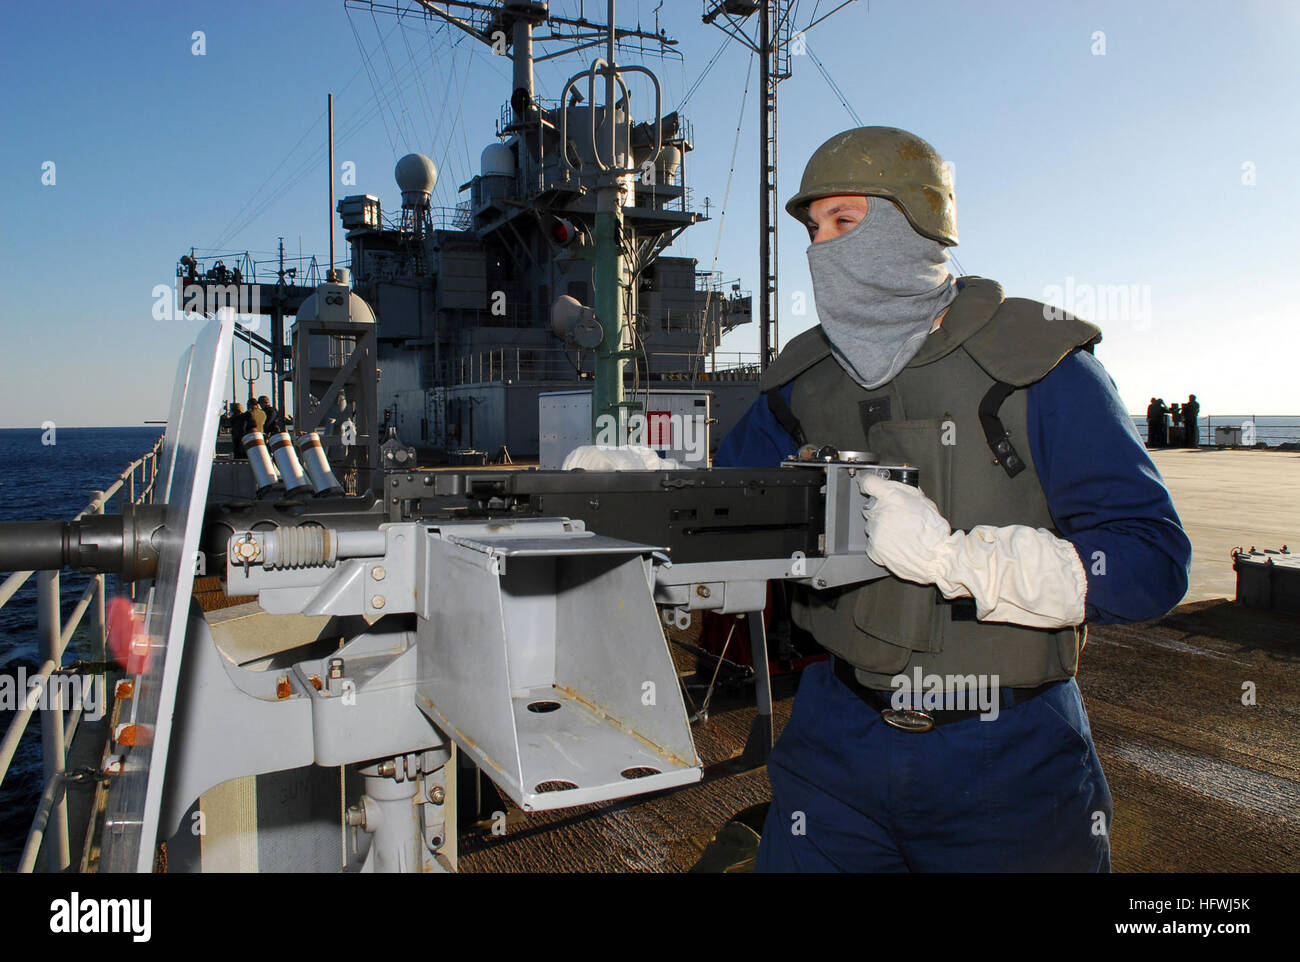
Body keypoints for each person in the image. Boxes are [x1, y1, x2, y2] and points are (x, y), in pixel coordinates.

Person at [714, 126, 1191, 872]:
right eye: (814, 231)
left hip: (1008, 753)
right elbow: (722, 500)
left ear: (915, 223)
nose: (823, 248)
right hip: (837, 735)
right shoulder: (805, 381)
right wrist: (636, 476)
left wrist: (958, 560)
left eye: (845, 222)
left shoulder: (1038, 365)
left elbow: (1151, 563)